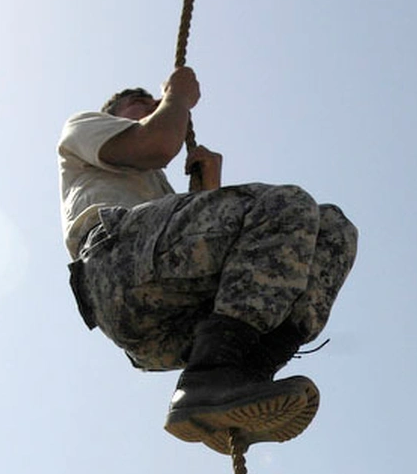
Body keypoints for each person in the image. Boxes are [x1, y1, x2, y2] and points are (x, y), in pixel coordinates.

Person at [58, 67, 358, 453]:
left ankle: (239, 375)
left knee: (334, 230)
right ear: (114, 113)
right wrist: (177, 97)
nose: (152, 106)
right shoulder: (85, 128)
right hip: (115, 265)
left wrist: (206, 188)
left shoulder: (157, 190)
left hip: (163, 328)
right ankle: (214, 375)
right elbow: (157, 144)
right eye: (139, 104)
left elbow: (211, 259)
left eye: (155, 102)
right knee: (286, 204)